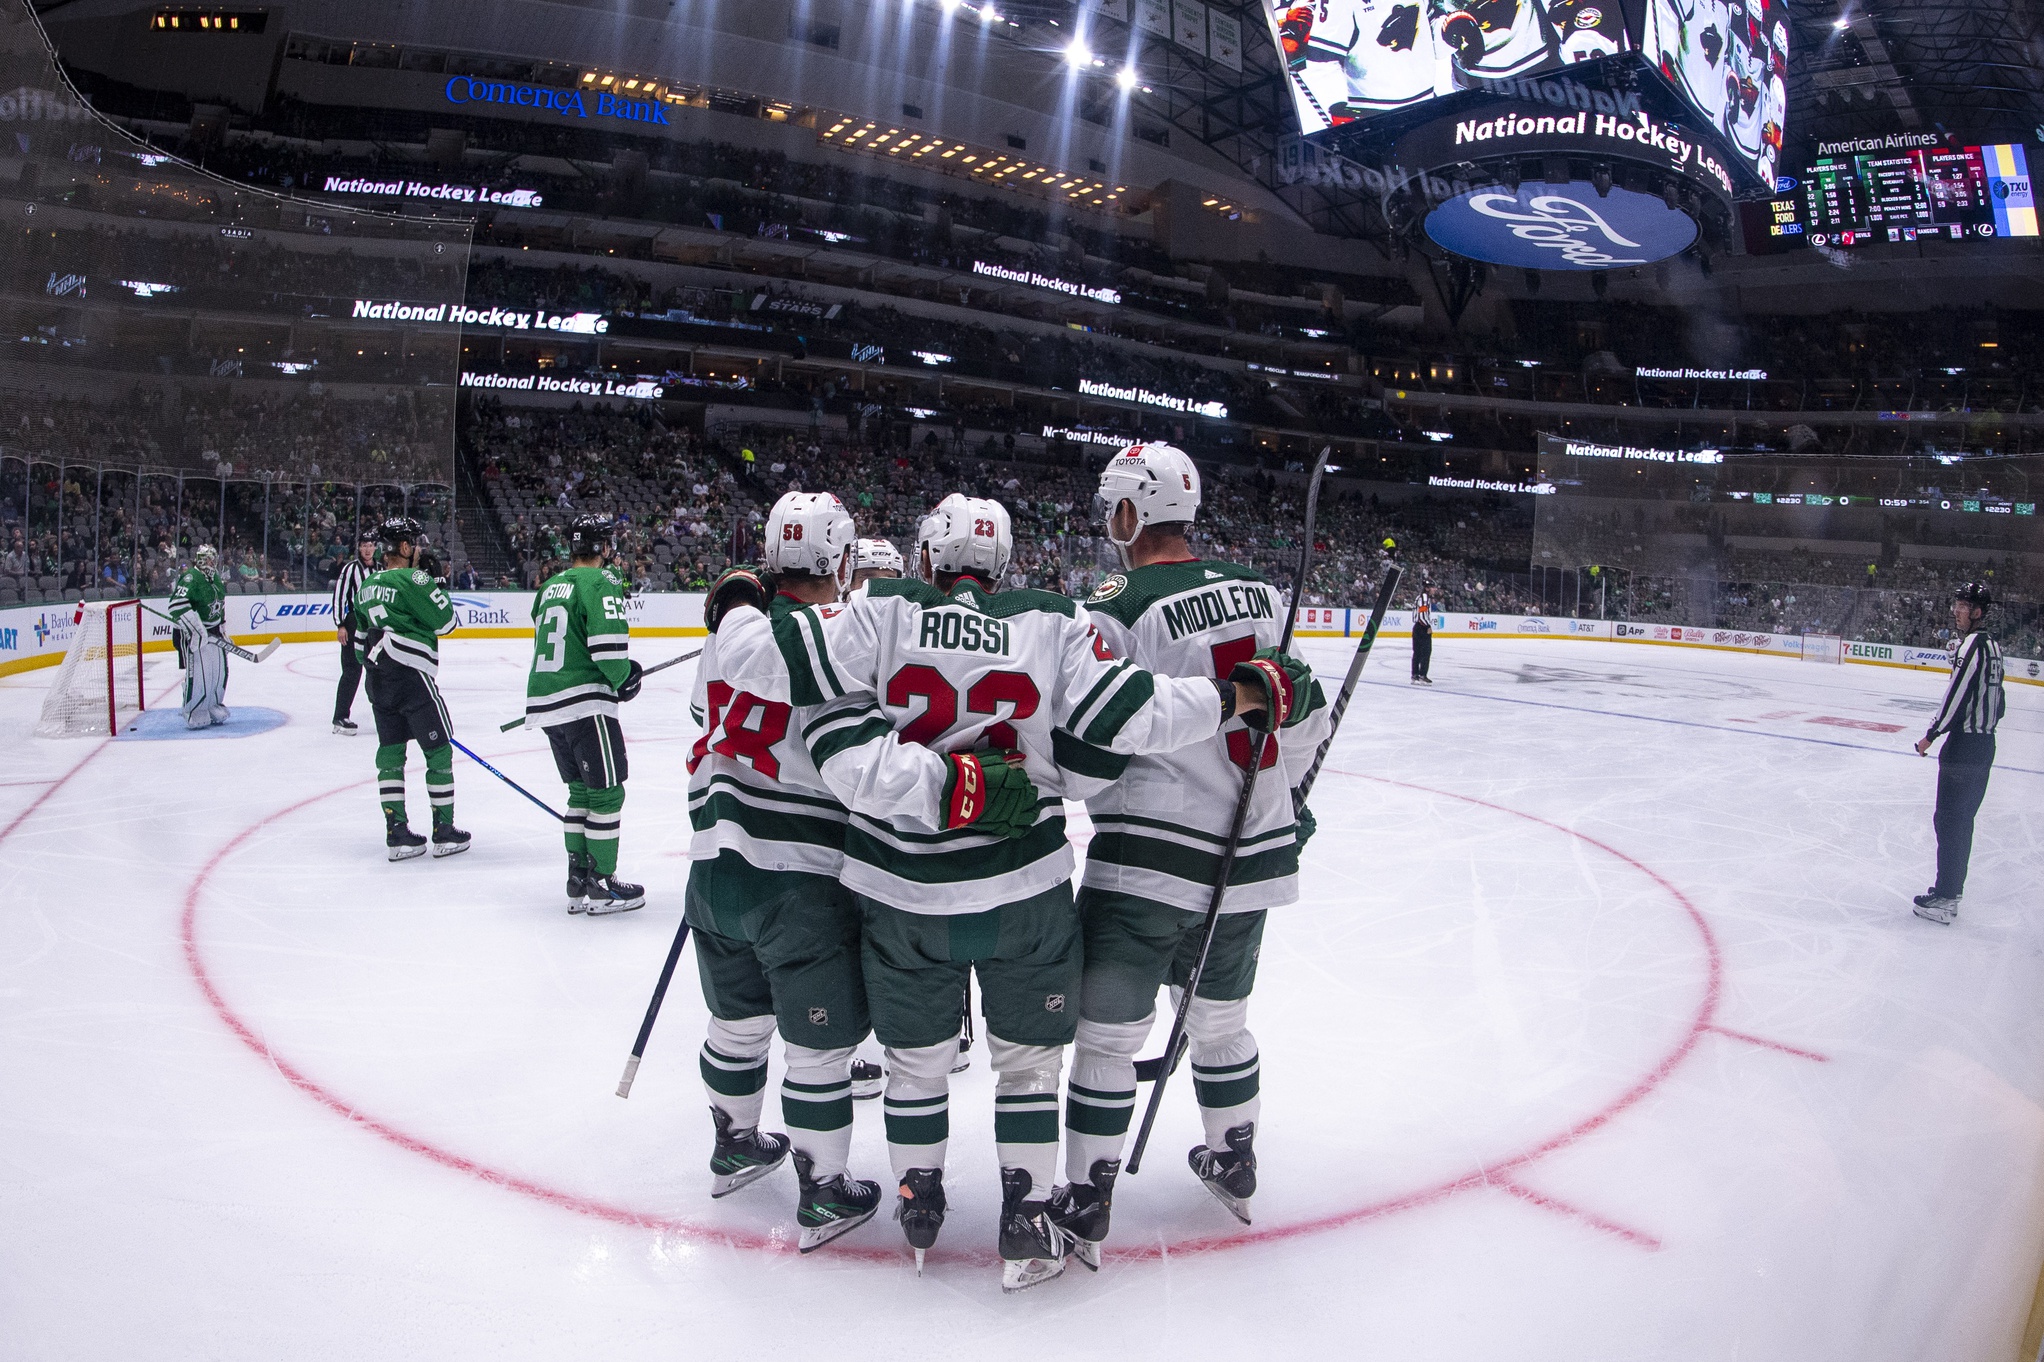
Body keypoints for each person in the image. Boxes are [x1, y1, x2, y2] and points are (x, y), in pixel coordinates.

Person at [706, 494, 1308, 1291]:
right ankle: (1025, 1217)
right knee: (1028, 1067)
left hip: (902, 892)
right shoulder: (1053, 621)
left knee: (915, 1066)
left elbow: (798, 703)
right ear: (1008, 563)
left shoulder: (881, 610)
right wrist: (1238, 696)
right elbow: (1129, 719)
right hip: (1027, 893)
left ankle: (920, 1202)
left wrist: (743, 602)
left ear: (922, 560)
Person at [1051, 443, 1329, 1267]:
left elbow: (1090, 731)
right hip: (1249, 858)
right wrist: (1289, 806)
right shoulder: (1262, 593)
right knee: (1220, 1022)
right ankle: (1233, 1156)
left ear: (1130, 513)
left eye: (1113, 509)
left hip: (1149, 856)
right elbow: (1302, 715)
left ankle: (1087, 1193)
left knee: (1107, 1037)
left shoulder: (1116, 602)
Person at [684, 492, 884, 1253]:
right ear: (840, 559)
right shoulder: (844, 635)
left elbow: (702, 716)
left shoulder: (729, 633)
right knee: (818, 1047)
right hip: (799, 876)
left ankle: (734, 1144)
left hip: (713, 868)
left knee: (734, 1024)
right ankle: (825, 1190)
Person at [525, 514, 645, 914]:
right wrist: (624, 677)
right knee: (607, 792)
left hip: (548, 703)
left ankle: (578, 878)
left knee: (580, 792)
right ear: (604, 548)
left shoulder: (548, 586)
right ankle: (602, 883)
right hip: (584, 702)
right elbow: (606, 644)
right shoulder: (602, 581)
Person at [352, 516, 469, 862]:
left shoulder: (367, 585)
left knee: (390, 751)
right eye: (415, 544)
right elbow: (447, 623)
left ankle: (397, 833)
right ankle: (443, 830)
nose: (419, 549)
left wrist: (379, 666)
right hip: (412, 674)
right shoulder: (414, 578)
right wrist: (435, 582)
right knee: (438, 751)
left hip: (377, 677)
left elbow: (360, 642)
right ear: (404, 547)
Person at [1911, 582, 2005, 925]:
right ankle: (1953, 888)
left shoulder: (1972, 645)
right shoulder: (1993, 646)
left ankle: (1946, 896)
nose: (1956, 610)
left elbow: (1957, 693)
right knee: (1961, 819)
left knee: (1949, 819)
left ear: (1977, 612)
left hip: (1964, 746)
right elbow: (1999, 701)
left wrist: (1932, 734)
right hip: (1984, 745)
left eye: (1963, 605)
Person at [168, 544, 230, 730]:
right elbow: (176, 606)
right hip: (194, 634)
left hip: (214, 632)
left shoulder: (214, 578)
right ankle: (194, 709)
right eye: (210, 559)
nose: (213, 562)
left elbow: (220, 606)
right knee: (200, 674)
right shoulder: (190, 578)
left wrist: (224, 631)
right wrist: (196, 630)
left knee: (218, 673)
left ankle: (213, 705)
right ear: (202, 560)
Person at [331, 531, 376, 735]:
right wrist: (340, 624)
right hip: (353, 624)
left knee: (379, 671)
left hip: (375, 625)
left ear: (376, 547)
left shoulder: (380, 569)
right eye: (364, 545)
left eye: (371, 545)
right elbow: (340, 596)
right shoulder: (350, 569)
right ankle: (340, 717)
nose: (367, 549)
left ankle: (386, 713)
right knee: (352, 671)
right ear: (359, 548)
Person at [1410, 583, 1434, 684]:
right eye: (1433, 587)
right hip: (1422, 627)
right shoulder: (1424, 598)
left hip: (1417, 627)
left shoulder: (1419, 597)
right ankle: (1422, 675)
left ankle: (1415, 675)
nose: (1435, 589)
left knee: (1417, 652)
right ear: (1427, 588)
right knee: (1426, 652)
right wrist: (1427, 626)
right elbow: (1422, 613)